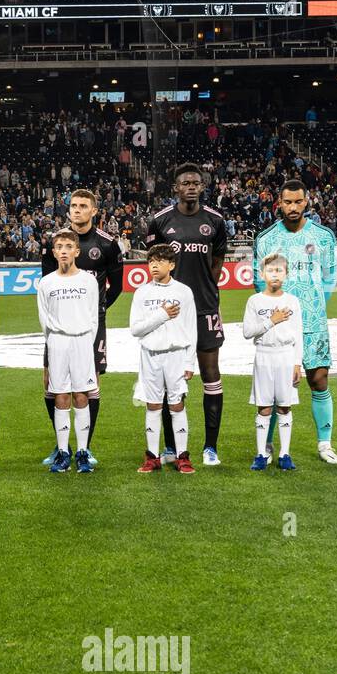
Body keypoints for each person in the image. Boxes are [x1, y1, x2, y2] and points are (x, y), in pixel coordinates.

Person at [251, 180, 337, 464]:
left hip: (314, 322)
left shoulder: (324, 237)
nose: (293, 207)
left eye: (298, 202)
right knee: (275, 387)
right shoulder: (266, 239)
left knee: (319, 379)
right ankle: (266, 447)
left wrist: (314, 308)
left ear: (306, 202)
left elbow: (330, 278)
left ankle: (325, 444)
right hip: (279, 325)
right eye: (288, 202)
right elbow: (258, 282)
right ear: (279, 202)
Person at [144, 164, 228, 466]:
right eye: (185, 183)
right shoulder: (160, 221)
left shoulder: (215, 221)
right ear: (176, 188)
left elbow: (217, 260)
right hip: (170, 312)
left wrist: (203, 286)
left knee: (210, 375)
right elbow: (155, 261)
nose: (191, 186)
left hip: (205, 307)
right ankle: (170, 447)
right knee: (171, 381)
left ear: (202, 187)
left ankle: (210, 447)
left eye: (196, 182)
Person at [40, 188, 123, 466]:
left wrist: (96, 314)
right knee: (51, 384)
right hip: (59, 329)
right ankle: (60, 444)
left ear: (94, 210)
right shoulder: (55, 242)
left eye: (83, 206)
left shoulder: (108, 244)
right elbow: (48, 286)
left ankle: (86, 446)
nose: (77, 210)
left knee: (90, 385)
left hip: (90, 325)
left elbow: (117, 287)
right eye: (73, 205)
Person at [36, 231, 99, 474]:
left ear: (76, 251)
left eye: (68, 246)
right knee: (61, 397)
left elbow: (93, 317)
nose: (63, 250)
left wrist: (84, 341)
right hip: (58, 343)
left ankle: (82, 452)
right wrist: (54, 341)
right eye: (59, 246)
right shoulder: (46, 282)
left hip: (82, 341)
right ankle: (63, 453)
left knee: (82, 396)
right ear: (53, 252)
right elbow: (44, 318)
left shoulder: (88, 281)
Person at [130, 245, 197, 474]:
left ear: (172, 264)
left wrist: (190, 362)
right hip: (150, 355)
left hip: (177, 355)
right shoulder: (141, 293)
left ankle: (182, 456)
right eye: (151, 261)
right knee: (153, 405)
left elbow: (191, 329)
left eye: (159, 261)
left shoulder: (184, 292)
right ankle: (152, 457)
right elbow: (136, 329)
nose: (154, 266)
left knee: (177, 405)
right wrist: (161, 315)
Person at [242, 254, 302, 471]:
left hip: (286, 356)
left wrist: (298, 363)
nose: (274, 275)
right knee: (264, 407)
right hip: (264, 355)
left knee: (285, 407)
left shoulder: (292, 301)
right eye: (270, 271)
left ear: (286, 274)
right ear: (262, 274)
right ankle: (261, 454)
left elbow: (298, 335)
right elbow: (247, 332)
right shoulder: (254, 301)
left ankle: (285, 454)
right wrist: (270, 321)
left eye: (279, 270)